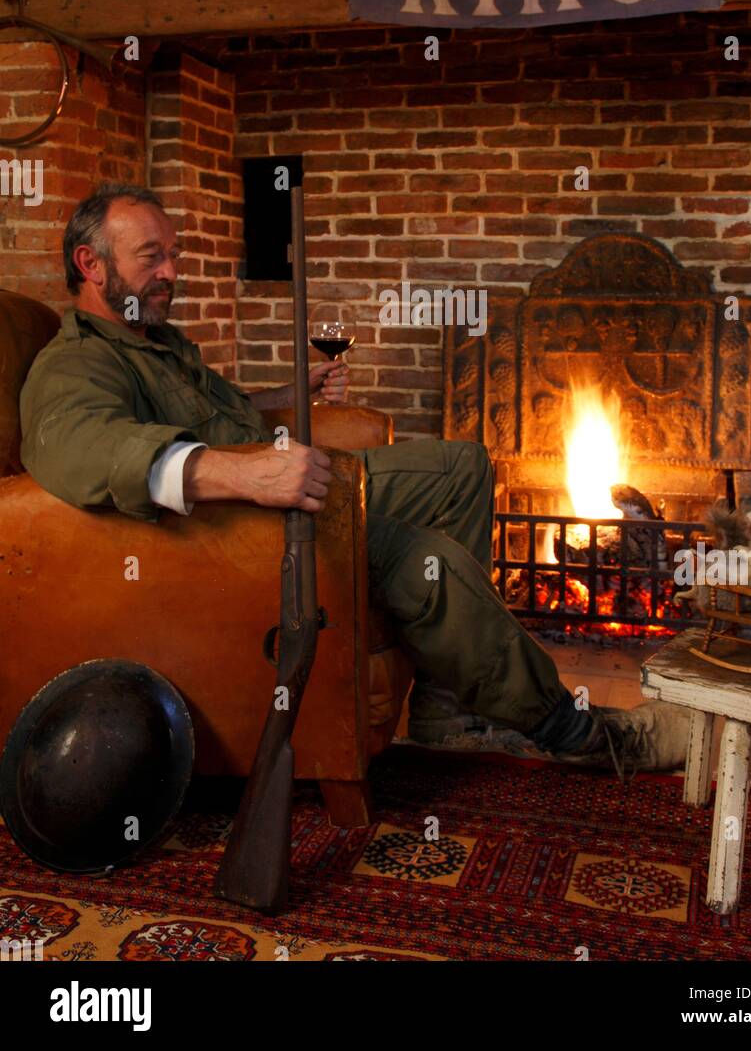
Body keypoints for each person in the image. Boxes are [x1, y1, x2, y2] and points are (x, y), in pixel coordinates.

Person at [19, 183, 690, 777]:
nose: (171, 272)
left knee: (462, 468)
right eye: (152, 257)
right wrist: (243, 473)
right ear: (90, 263)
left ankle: (446, 704)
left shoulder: (154, 341)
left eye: (175, 255)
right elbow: (75, 446)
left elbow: (223, 415)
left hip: (283, 483)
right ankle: (575, 732)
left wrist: (290, 391)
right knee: (427, 561)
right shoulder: (75, 363)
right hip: (244, 528)